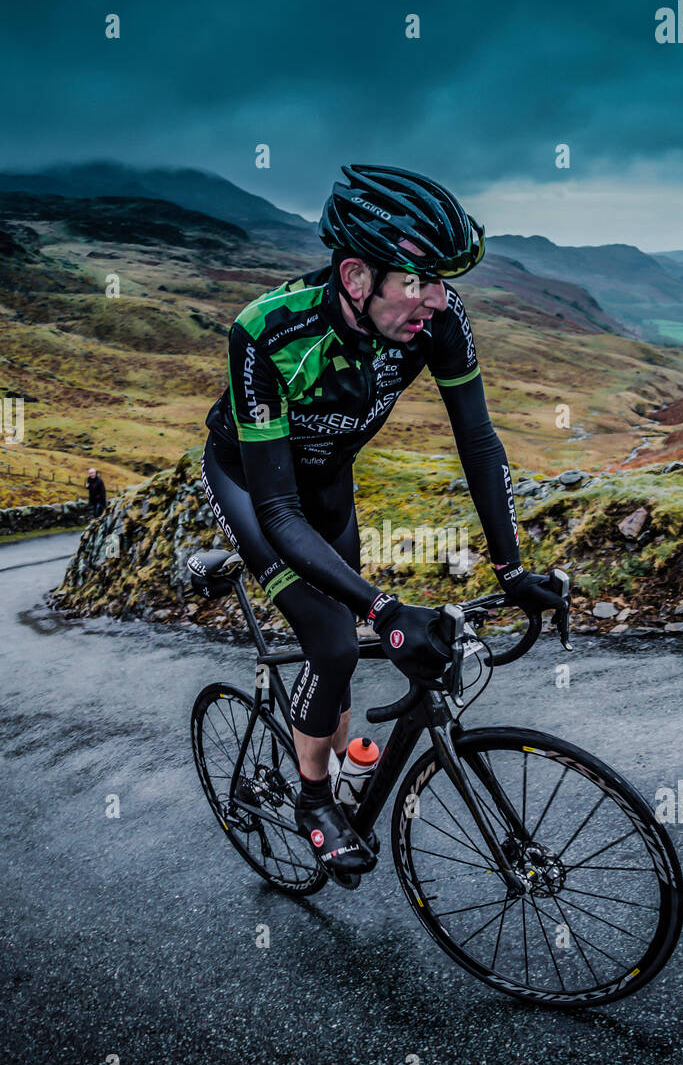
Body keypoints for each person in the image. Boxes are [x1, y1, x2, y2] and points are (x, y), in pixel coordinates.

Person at [201, 164, 566, 880]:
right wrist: (385, 608)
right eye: (420, 279)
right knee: (336, 641)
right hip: (254, 487)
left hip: (329, 489)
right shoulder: (268, 333)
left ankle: (330, 763)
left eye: (442, 281)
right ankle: (312, 802)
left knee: (335, 656)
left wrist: (513, 570)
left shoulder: (438, 320)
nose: (437, 297)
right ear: (357, 277)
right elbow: (277, 509)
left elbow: (479, 443)